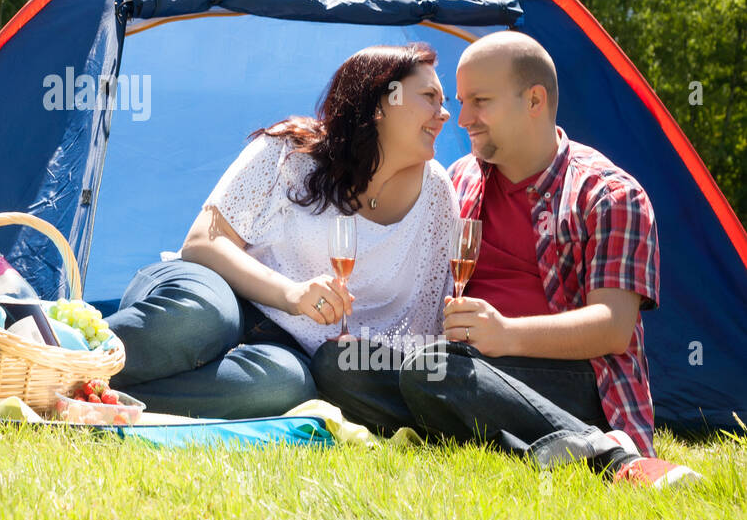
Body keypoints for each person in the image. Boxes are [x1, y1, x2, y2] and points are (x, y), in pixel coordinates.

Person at [311, 31, 702, 488]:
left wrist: (504, 334)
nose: (462, 119)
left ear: (534, 100)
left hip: (574, 382)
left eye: (479, 101)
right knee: (339, 364)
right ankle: (512, 439)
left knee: (436, 371)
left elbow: (613, 328)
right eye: (460, 101)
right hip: (468, 370)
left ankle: (613, 458)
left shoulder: (609, 195)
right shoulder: (459, 182)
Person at [106, 43, 456, 418]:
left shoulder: (435, 193)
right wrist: (291, 293)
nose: (445, 113)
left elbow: (424, 322)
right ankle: (57, 352)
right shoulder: (288, 150)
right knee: (202, 318)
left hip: (284, 349)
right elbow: (203, 243)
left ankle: (94, 394)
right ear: (380, 104)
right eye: (429, 97)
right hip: (214, 287)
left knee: (287, 387)